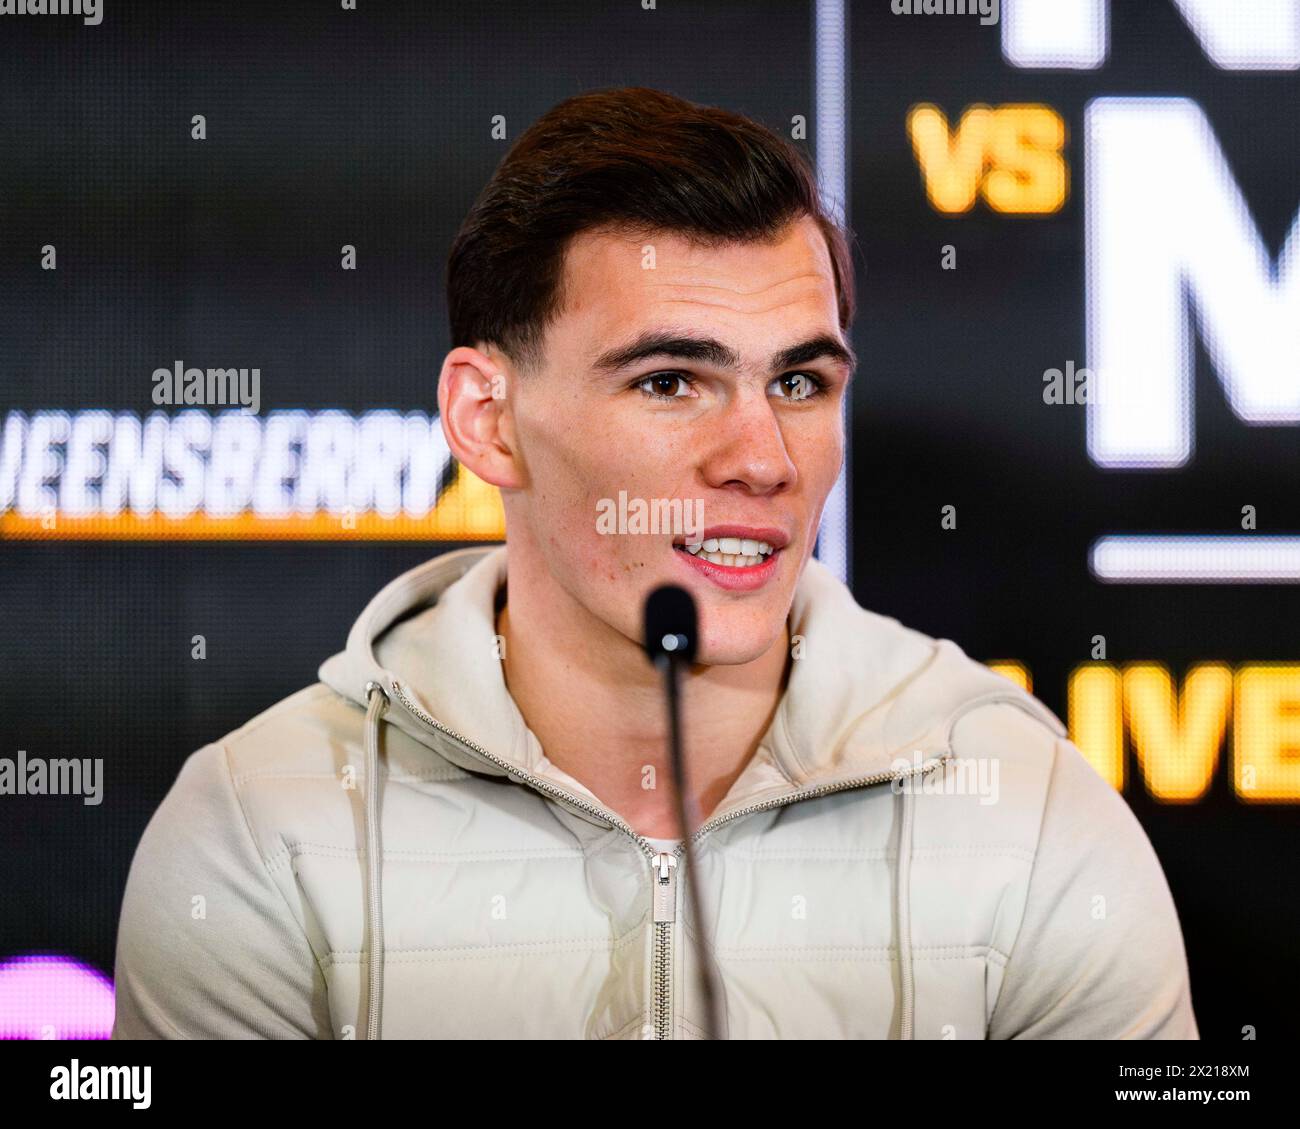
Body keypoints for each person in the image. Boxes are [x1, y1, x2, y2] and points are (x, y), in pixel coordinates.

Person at [111, 86, 1197, 1039]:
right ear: (487, 420)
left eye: (799, 384)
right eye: (671, 382)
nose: (763, 462)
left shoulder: (1031, 812)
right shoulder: (261, 828)